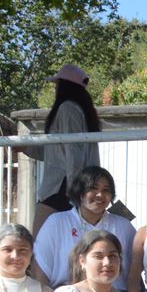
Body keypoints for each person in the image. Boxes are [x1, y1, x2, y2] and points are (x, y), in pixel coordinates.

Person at [33, 166, 137, 289]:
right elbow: (40, 269)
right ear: (80, 192)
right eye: (93, 188)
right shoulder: (56, 222)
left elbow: (135, 273)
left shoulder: (124, 226)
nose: (100, 195)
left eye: (106, 190)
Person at [29, 64, 102, 226]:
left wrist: (73, 194)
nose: (55, 88)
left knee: (38, 244)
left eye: (57, 84)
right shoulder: (83, 111)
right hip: (69, 187)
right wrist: (26, 147)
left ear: (64, 86)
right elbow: (55, 152)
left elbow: (73, 153)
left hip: (61, 188)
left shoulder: (67, 109)